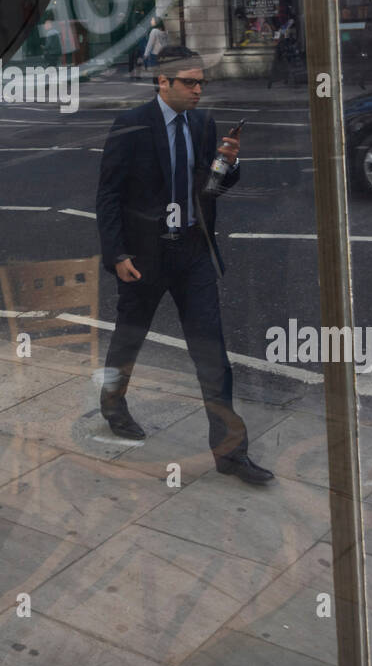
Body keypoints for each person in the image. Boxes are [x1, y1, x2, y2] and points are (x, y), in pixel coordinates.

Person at [95, 47, 274, 484]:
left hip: (193, 254)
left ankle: (231, 454)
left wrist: (228, 164)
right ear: (163, 83)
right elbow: (109, 197)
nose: (198, 90)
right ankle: (113, 402)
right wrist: (117, 255)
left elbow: (209, 188)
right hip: (144, 257)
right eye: (189, 83)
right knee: (129, 339)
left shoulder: (202, 123)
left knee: (212, 355)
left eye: (201, 83)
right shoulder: (131, 124)